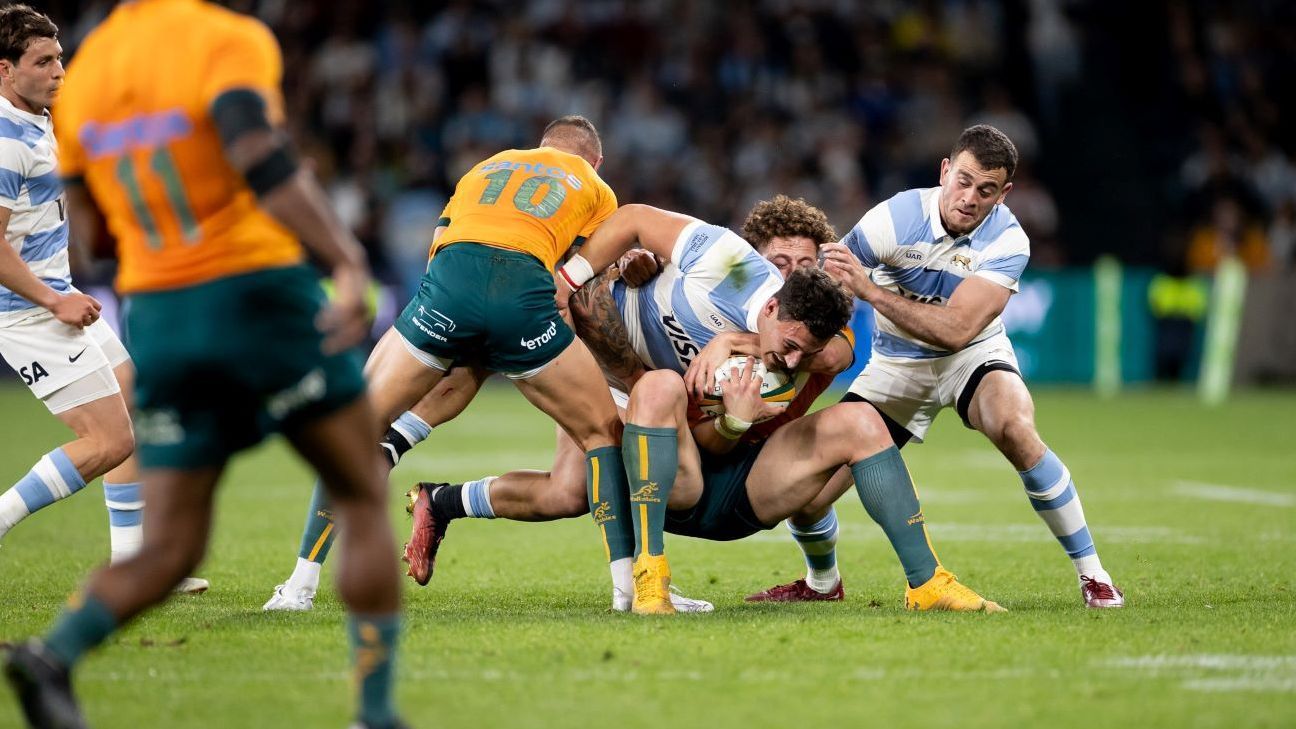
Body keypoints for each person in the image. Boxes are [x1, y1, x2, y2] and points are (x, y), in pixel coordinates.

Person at [2, 2, 407, 728]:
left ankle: (53, 653)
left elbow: (92, 231)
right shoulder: (227, 38)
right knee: (357, 488)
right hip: (257, 292)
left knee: (170, 544)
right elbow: (257, 151)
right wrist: (345, 258)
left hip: (159, 312)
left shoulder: (90, 71)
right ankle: (374, 714)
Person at [404, 197, 1003, 614]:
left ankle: (926, 582)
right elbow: (635, 220)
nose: (791, 271)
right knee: (577, 478)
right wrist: (576, 275)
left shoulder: (806, 348)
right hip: (641, 412)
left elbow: (823, 361)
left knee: (861, 421)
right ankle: (645, 577)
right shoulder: (722, 263)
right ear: (761, 272)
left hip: (728, 475)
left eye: (805, 264)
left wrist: (737, 398)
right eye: (780, 264)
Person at [263, 115, 635, 614]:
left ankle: (299, 587)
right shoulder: (595, 188)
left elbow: (439, 244)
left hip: (450, 284)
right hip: (521, 293)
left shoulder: (488, 167)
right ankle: (629, 590)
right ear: (596, 161)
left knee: (357, 427)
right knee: (602, 434)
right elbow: (587, 279)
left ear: (540, 146)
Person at [817, 124, 1124, 608]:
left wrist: (872, 291)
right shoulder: (895, 218)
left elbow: (958, 329)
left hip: (971, 356)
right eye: (962, 181)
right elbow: (829, 283)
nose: (968, 198)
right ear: (945, 171)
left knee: (1014, 425)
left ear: (1004, 194)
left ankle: (1094, 574)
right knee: (807, 487)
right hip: (895, 365)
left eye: (985, 190)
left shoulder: (1008, 241)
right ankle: (821, 583)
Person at [0, 4, 207, 593]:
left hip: (52, 295)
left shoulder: (33, 117)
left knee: (130, 397)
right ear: (5, 70)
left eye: (60, 58)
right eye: (42, 61)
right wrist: (53, 299)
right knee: (111, 440)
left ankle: (133, 566)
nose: (58, 71)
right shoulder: (7, 139)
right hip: (26, 311)